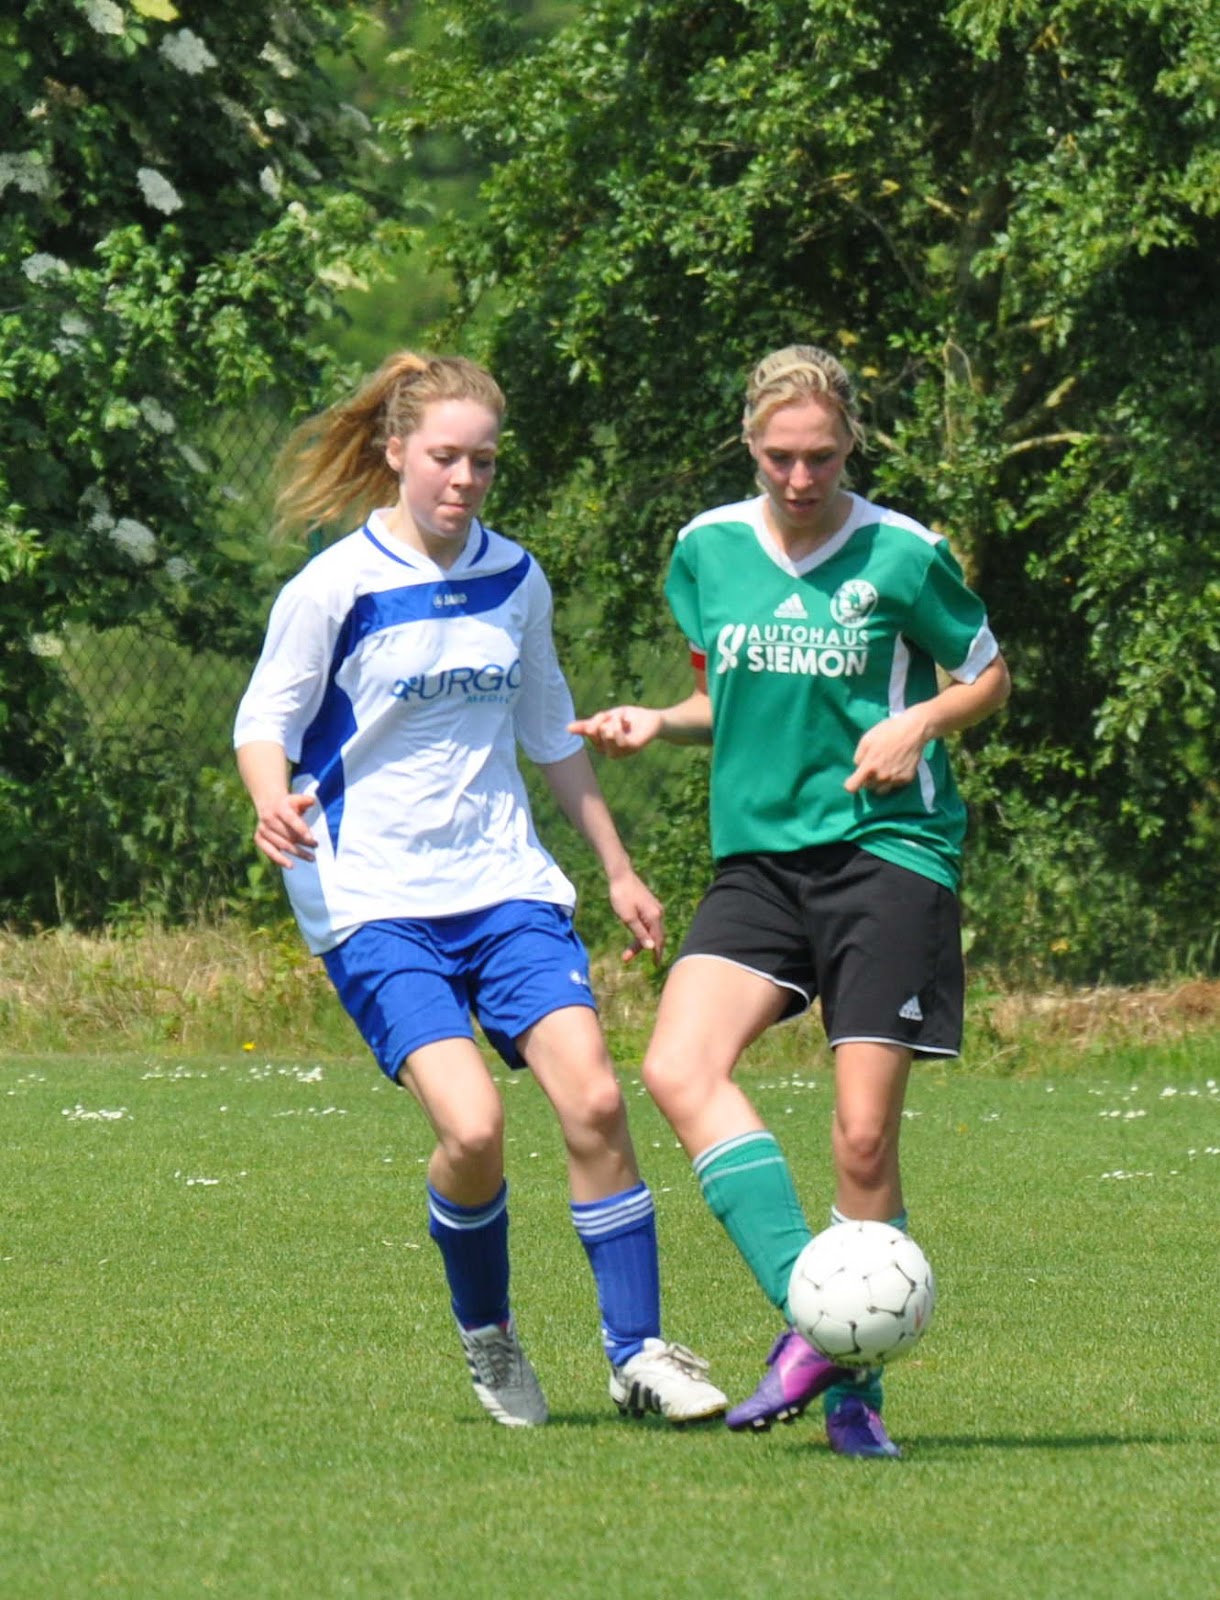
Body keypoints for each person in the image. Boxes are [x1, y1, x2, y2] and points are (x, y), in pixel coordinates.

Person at [233, 350, 727, 1429]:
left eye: (483, 462)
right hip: (369, 896)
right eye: (445, 456)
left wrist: (617, 865)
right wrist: (273, 799)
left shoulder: (516, 577)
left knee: (594, 1097)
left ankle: (637, 1352)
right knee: (470, 1128)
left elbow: (548, 732)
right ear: (395, 451)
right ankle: (489, 1337)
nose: (463, 479)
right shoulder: (334, 586)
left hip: (503, 883)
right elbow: (262, 720)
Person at [570, 344, 1010, 1459]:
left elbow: (985, 673)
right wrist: (656, 722)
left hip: (888, 851)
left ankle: (852, 1392)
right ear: (748, 445)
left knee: (861, 1140)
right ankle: (822, 1329)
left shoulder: (903, 554)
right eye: (778, 456)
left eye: (819, 455)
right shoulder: (705, 550)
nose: (799, 476)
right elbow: (733, 694)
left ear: (848, 443)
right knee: (676, 1066)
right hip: (757, 862)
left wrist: (918, 721)